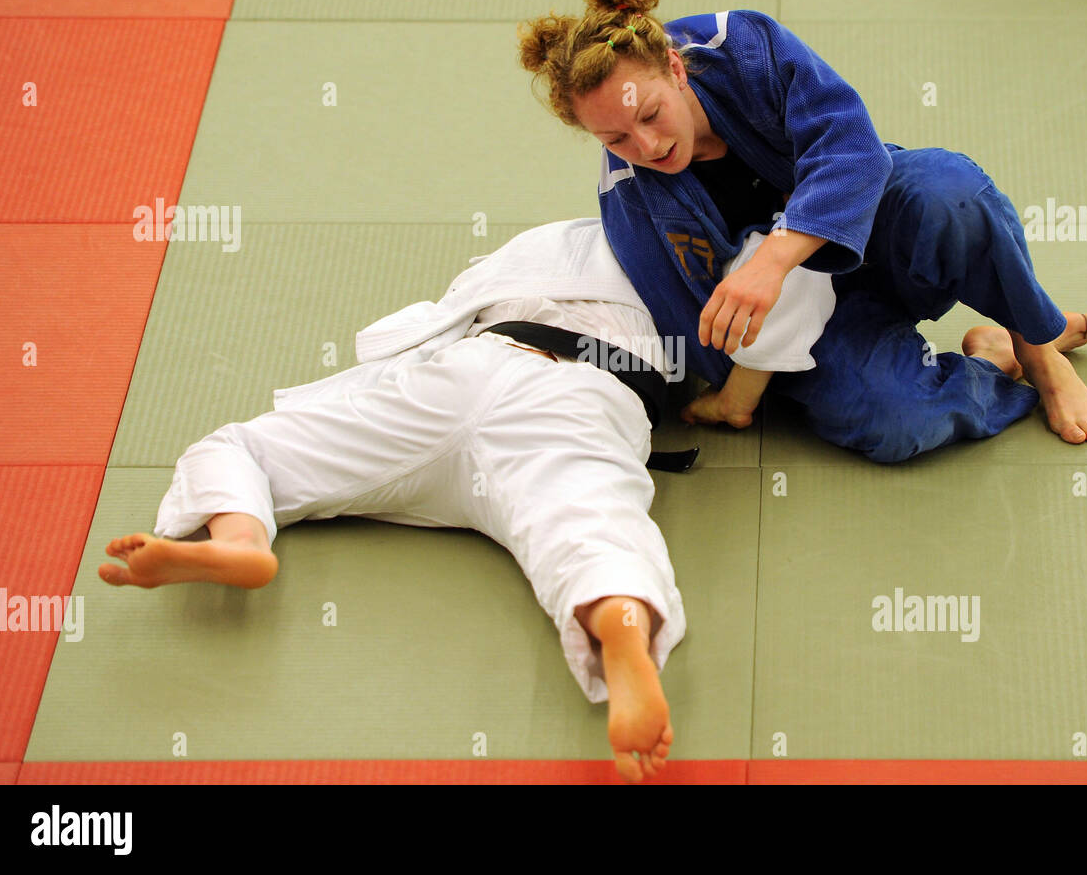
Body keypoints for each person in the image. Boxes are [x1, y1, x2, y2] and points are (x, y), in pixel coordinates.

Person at [99, 218, 683, 784]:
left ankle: (240, 540)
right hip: (584, 394)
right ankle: (621, 631)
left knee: (244, 447)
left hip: (469, 372)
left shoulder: (539, 248)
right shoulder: (670, 248)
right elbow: (749, 346)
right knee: (588, 528)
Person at [517, 0, 1087, 462]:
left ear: (675, 69)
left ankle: (1037, 345)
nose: (645, 146)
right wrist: (741, 376)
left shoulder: (740, 45)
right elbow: (699, 326)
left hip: (875, 225)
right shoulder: (630, 197)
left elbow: (852, 146)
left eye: (650, 114)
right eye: (615, 137)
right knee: (894, 421)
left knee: (949, 193)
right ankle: (992, 359)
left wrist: (777, 255)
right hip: (814, 325)